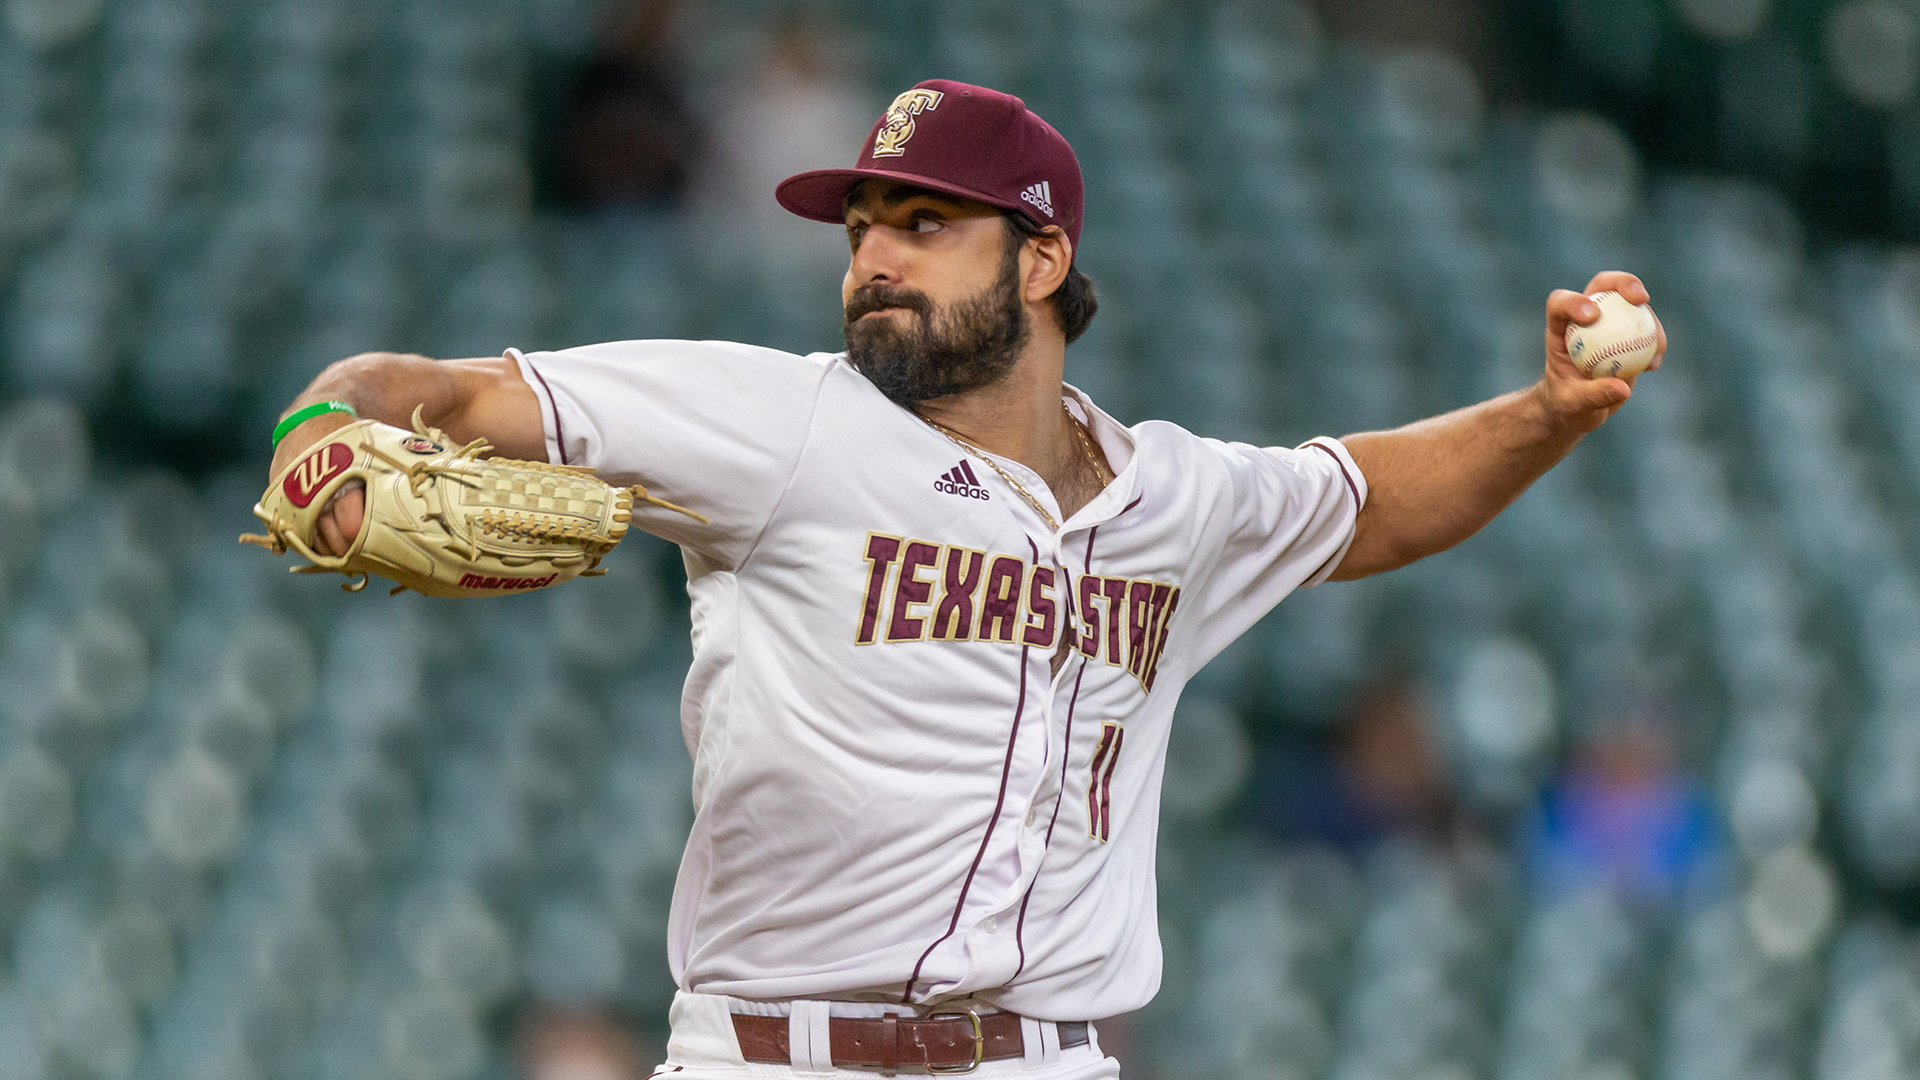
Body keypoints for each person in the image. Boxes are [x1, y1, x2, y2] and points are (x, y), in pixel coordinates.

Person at [267, 79, 1663, 1079]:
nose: (872, 254)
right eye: (863, 223)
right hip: (776, 1056)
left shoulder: (1175, 498)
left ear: (1044, 256)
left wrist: (1542, 413)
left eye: (925, 224)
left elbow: (1369, 502)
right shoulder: (785, 423)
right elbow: (436, 390)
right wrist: (319, 434)